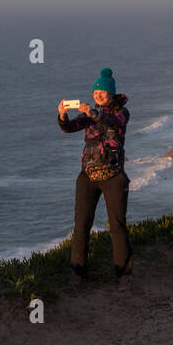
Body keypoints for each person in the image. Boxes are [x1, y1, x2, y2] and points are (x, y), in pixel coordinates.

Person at [58, 67, 133, 287]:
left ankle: (124, 274)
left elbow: (114, 122)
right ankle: (78, 272)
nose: (98, 95)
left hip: (113, 176)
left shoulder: (121, 112)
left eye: (102, 92)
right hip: (88, 176)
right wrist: (63, 115)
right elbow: (69, 128)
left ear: (111, 94)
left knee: (117, 225)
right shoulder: (88, 114)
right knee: (81, 224)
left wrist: (94, 114)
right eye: (96, 91)